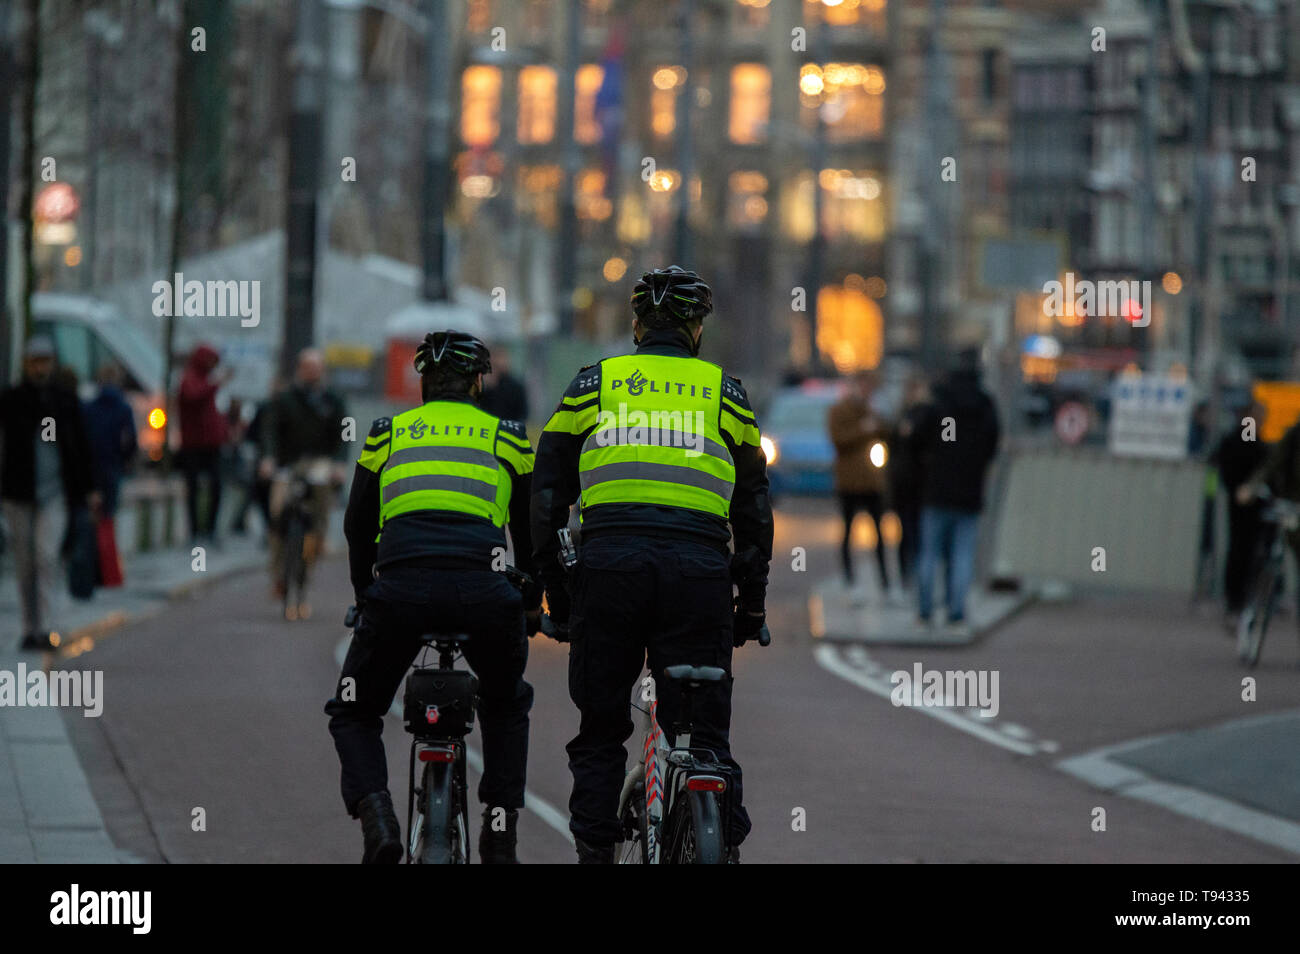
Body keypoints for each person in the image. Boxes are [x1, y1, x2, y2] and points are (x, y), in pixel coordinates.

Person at [531, 266, 774, 864]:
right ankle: (717, 827)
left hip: (609, 569)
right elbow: (755, 514)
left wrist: (556, 598)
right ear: (697, 330)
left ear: (637, 325)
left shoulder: (594, 384)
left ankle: (593, 851)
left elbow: (545, 495)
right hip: (697, 575)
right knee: (706, 732)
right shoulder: (727, 393)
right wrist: (752, 604)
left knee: (602, 729)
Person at [325, 331, 540, 864]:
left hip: (399, 592)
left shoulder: (386, 433)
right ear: (477, 383)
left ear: (424, 384)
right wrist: (533, 604)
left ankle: (377, 816)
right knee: (506, 702)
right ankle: (500, 836)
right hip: (484, 594)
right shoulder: (507, 435)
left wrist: (366, 595)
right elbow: (530, 531)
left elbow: (357, 526)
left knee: (353, 711)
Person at [0, 337, 97, 650]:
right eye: (35, 361)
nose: (40, 367)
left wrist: (89, 488)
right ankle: (30, 627)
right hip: (18, 492)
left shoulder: (65, 401)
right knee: (25, 563)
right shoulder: (13, 400)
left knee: (47, 557)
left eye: (45, 361)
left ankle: (48, 627)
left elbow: (79, 446)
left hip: (55, 493)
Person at [913, 348, 1000, 633]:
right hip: (969, 493)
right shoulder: (985, 405)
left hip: (936, 489)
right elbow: (992, 446)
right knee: (962, 555)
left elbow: (917, 439)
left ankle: (925, 612)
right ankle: (956, 612)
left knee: (928, 554)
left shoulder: (939, 403)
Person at [258, 350, 348, 612]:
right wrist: (268, 458)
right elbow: (270, 428)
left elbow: (344, 432)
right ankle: (277, 572)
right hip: (288, 464)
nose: (311, 372)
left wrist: (339, 463)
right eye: (307, 367)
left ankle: (319, 536)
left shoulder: (333, 400)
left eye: (316, 368)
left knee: (321, 496)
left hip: (319, 462)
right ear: (299, 369)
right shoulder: (284, 399)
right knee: (278, 512)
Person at [828, 370, 891, 594]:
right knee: (848, 531)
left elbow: (886, 434)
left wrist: (876, 419)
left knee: (880, 533)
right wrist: (863, 430)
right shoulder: (840, 410)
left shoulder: (871, 410)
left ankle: (885, 582)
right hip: (849, 482)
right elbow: (838, 440)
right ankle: (850, 580)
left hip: (872, 482)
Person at [1213, 400, 1269, 625]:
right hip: (1245, 503)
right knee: (1242, 550)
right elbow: (1247, 455)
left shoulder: (1242, 437)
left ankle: (1239, 598)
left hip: (1245, 501)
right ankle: (1237, 598)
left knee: (1242, 549)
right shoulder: (1246, 437)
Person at [177, 343, 231, 543]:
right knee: (194, 488)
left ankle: (209, 529)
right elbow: (194, 396)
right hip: (193, 444)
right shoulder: (191, 379)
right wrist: (216, 384)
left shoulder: (205, 380)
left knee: (215, 486)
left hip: (211, 444)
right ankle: (195, 531)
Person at [889, 373, 930, 589]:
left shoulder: (928, 415)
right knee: (907, 533)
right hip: (906, 485)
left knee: (919, 533)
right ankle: (907, 576)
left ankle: (916, 577)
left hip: (921, 486)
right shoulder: (901, 417)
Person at [83, 362, 138, 519]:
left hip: (93, 464)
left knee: (93, 508)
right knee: (110, 510)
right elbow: (130, 438)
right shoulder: (124, 408)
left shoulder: (89, 407)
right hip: (114, 463)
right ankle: (106, 540)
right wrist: (126, 458)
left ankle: (94, 540)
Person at [478, 345, 529, 423]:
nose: (499, 362)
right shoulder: (484, 385)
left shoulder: (515, 386)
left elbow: (523, 413)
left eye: (502, 357)